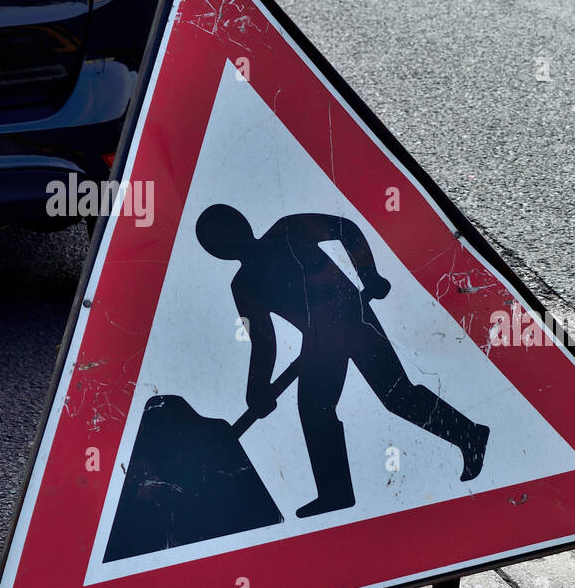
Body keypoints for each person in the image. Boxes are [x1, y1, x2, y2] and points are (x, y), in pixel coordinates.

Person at [196, 203, 490, 518]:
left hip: (354, 319)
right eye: (218, 242)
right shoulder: (244, 285)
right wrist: (257, 388)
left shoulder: (287, 230)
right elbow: (264, 339)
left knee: (395, 395)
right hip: (320, 343)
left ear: (241, 224)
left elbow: (344, 229)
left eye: (226, 233)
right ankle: (335, 492)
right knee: (316, 411)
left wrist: (369, 274)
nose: (227, 243)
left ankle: (469, 434)